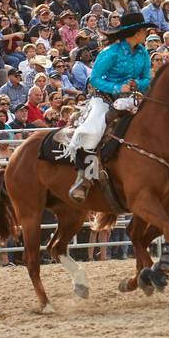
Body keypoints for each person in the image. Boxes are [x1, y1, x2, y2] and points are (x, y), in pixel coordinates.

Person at [62, 11, 152, 202]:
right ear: (135, 32)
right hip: (104, 97)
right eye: (144, 30)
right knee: (93, 130)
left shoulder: (143, 52)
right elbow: (94, 79)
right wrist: (117, 87)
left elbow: (146, 77)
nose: (146, 33)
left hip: (132, 97)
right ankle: (83, 177)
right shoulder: (110, 52)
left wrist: (138, 84)